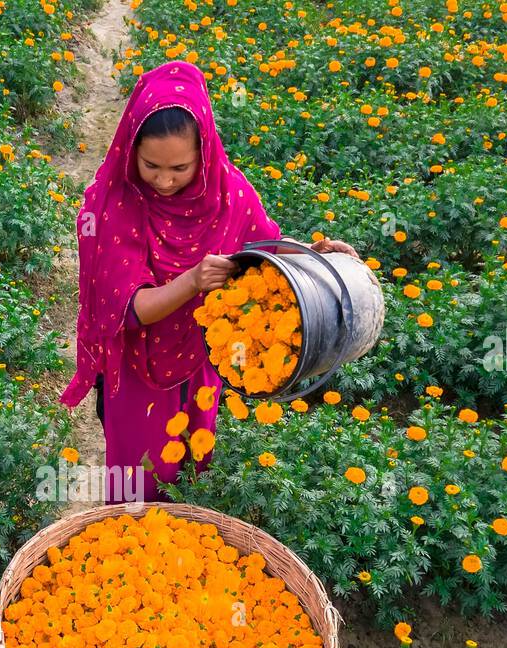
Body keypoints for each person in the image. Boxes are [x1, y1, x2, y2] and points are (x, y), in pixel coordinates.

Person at [61, 60, 359, 503]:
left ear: (204, 151)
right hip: (137, 368)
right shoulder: (112, 203)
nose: (164, 181)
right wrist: (193, 279)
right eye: (151, 166)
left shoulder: (229, 190)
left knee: (194, 471)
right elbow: (131, 308)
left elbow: (264, 253)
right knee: (139, 482)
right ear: (131, 149)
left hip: (202, 353)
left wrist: (314, 255)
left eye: (180, 169)